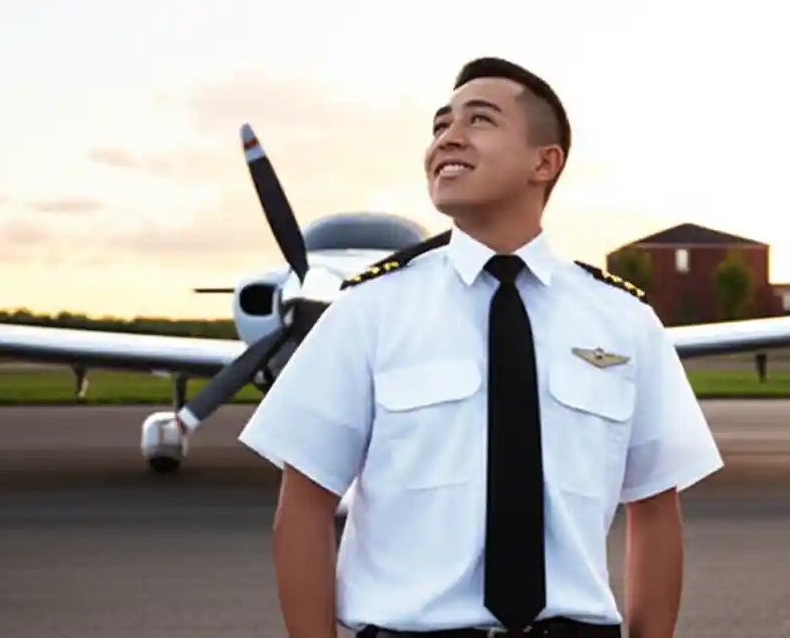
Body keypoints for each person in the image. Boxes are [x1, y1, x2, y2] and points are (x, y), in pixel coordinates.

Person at [238, 57, 724, 638]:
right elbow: (303, 507)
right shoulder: (367, 311)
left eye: (479, 120)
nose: (448, 138)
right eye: (440, 125)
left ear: (545, 163)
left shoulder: (625, 320)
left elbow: (655, 510)